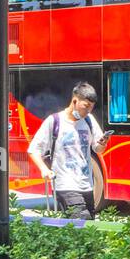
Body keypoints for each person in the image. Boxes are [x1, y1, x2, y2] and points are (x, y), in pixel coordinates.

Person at [28, 81, 109, 220]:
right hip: (65, 184)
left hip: (87, 185)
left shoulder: (89, 120)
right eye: (86, 106)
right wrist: (44, 169)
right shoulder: (54, 121)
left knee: (86, 227)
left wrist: (103, 143)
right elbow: (34, 149)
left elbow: (98, 149)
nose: (88, 111)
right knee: (82, 222)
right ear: (75, 101)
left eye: (91, 107)